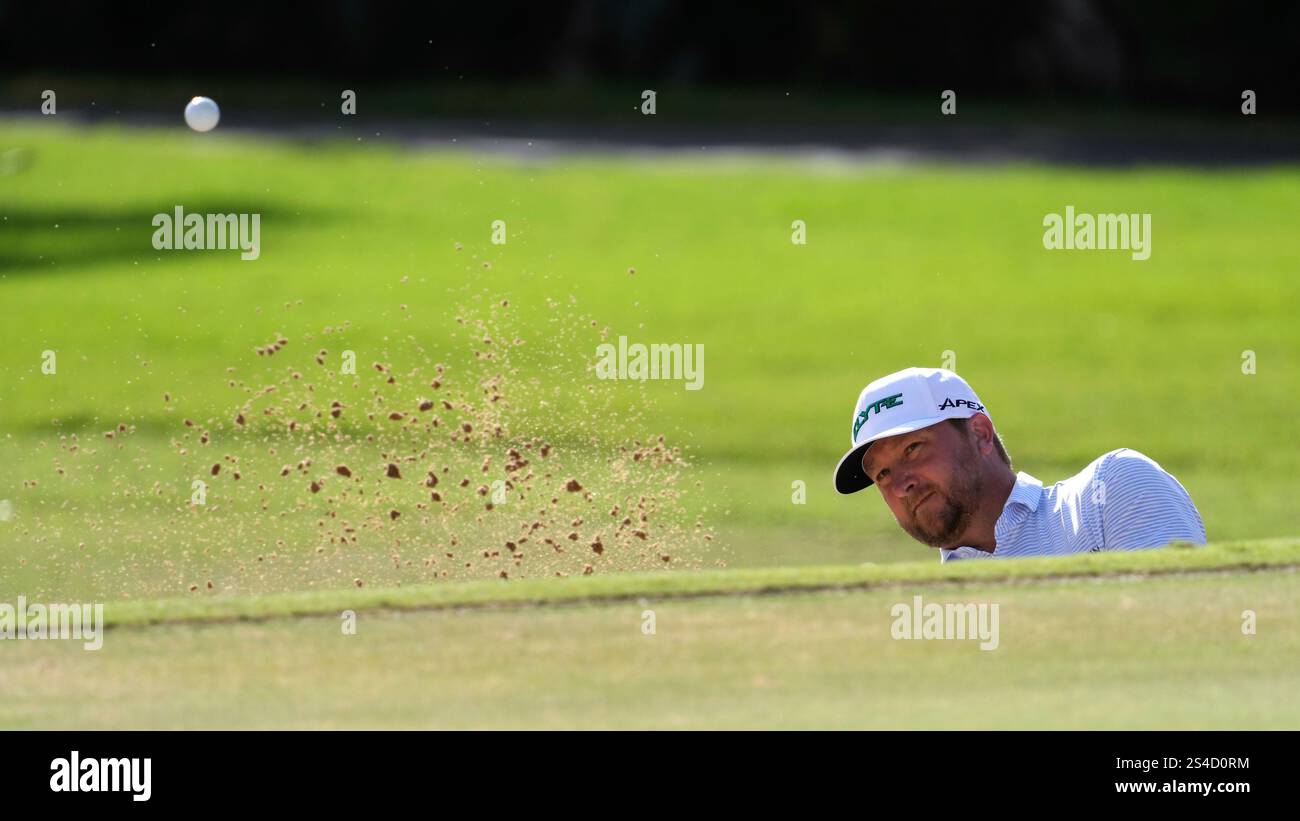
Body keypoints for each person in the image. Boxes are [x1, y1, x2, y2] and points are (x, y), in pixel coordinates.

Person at [833, 367, 1206, 562]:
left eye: (913, 449)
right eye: (882, 474)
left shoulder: (1108, 494)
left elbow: (1185, 638)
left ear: (979, 434)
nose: (901, 485)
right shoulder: (940, 617)